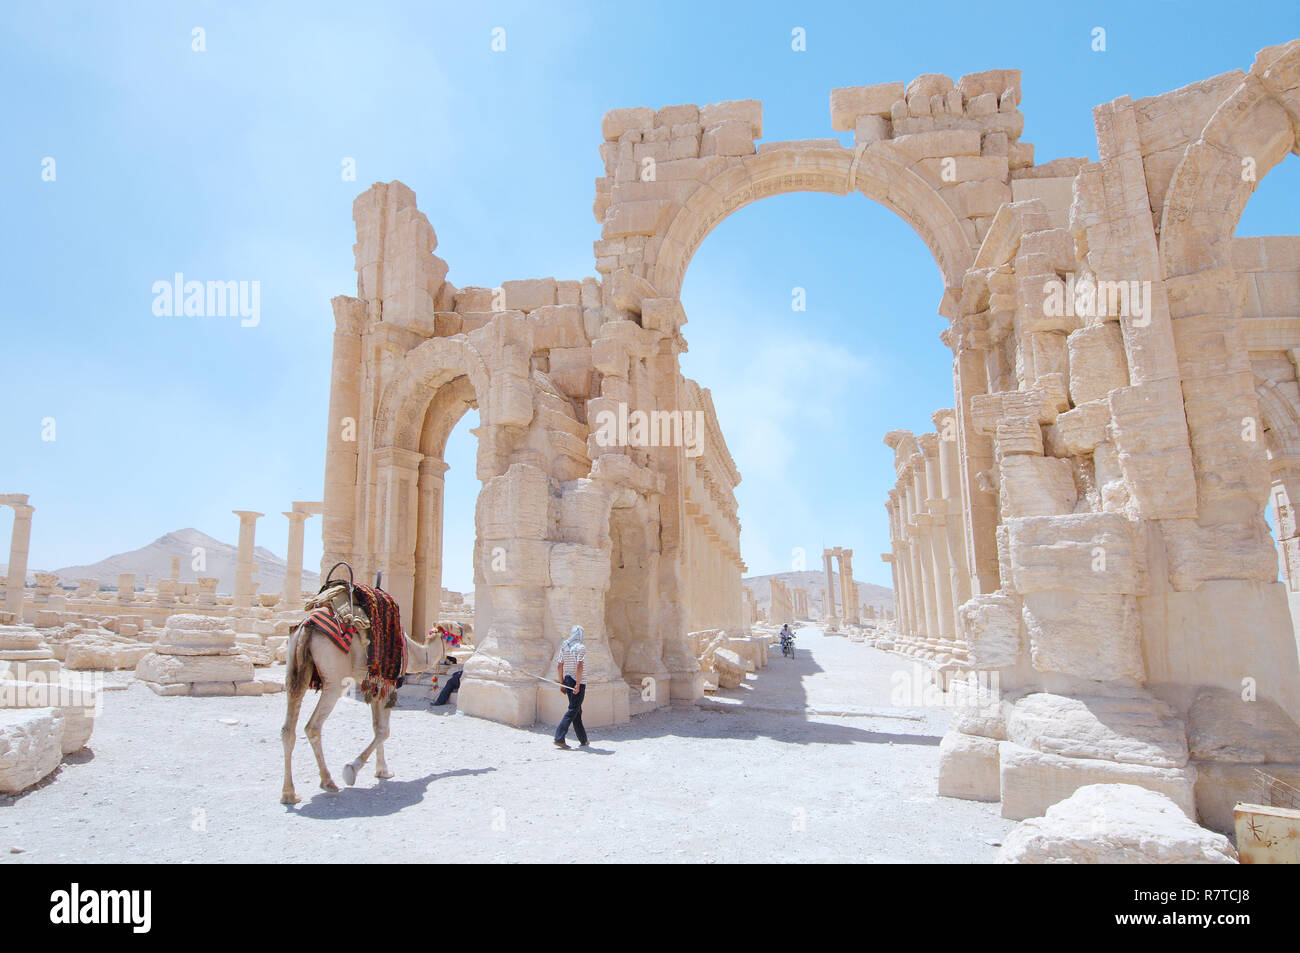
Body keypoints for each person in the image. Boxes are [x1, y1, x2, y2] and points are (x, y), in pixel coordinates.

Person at [554, 625, 589, 749]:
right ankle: (559, 737)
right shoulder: (581, 647)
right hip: (577, 682)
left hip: (567, 680)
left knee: (577, 711)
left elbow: (559, 664)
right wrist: (578, 685)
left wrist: (561, 682)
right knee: (573, 710)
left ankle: (583, 740)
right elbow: (580, 665)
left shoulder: (565, 646)